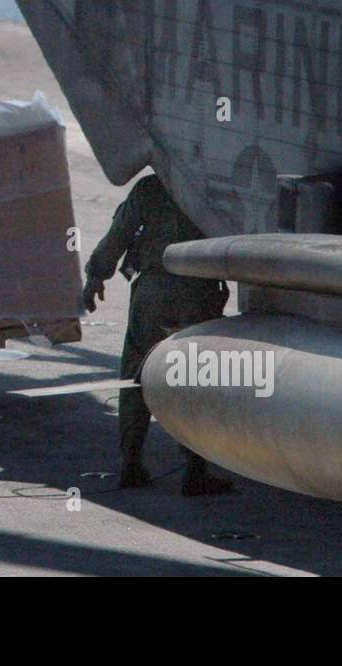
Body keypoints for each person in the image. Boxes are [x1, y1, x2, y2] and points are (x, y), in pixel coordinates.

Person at [83, 172, 234, 496]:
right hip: (198, 292)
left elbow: (118, 235)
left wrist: (96, 277)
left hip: (153, 291)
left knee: (136, 376)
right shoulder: (212, 184)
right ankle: (195, 471)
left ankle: (131, 464)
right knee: (195, 382)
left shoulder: (149, 188)